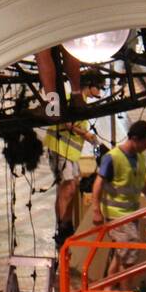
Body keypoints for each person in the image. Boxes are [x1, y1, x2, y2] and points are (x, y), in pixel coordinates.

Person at [92, 119, 146, 279]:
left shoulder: (140, 158)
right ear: (135, 139)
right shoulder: (112, 158)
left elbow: (142, 183)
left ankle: (108, 288)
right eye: (145, 142)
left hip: (131, 213)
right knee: (130, 252)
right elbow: (98, 184)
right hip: (116, 215)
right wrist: (96, 211)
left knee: (120, 253)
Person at [43, 78, 103, 248]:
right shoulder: (70, 100)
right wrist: (85, 134)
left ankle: (64, 224)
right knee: (67, 188)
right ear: (90, 86)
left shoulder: (79, 103)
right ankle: (64, 230)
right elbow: (64, 120)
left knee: (69, 186)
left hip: (68, 152)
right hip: (60, 148)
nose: (100, 91)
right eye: (99, 87)